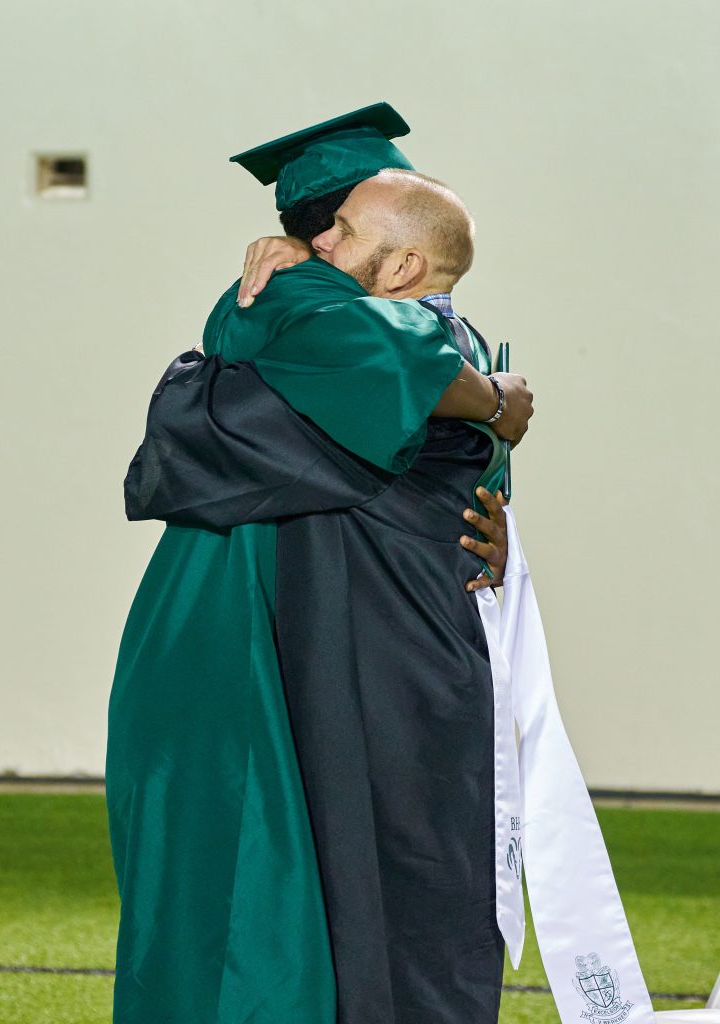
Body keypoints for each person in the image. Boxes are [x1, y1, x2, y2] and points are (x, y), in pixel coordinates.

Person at [107, 105, 530, 1024]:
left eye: (340, 230)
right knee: (300, 881)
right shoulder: (316, 324)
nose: (317, 243)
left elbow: (421, 432)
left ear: (406, 265)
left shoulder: (330, 330)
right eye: (322, 229)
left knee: (354, 879)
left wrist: (491, 460)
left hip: (348, 657)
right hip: (280, 656)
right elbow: (390, 382)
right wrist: (494, 404)